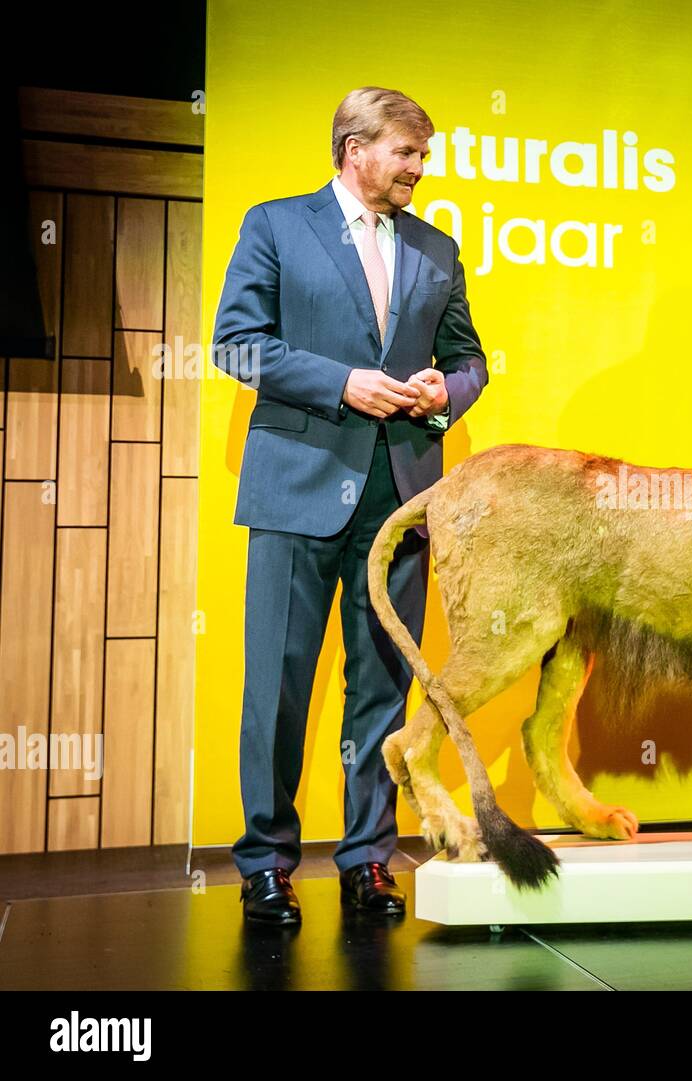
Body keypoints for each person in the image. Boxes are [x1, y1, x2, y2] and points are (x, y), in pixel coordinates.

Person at [212, 86, 488, 924]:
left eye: (423, 154)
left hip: (399, 501)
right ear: (354, 149)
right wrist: (341, 383)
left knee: (382, 688)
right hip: (295, 490)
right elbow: (235, 345)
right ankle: (266, 863)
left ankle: (369, 857)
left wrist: (444, 393)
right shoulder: (275, 225)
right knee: (277, 688)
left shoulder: (438, 246)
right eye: (406, 152)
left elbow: (470, 360)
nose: (419, 168)